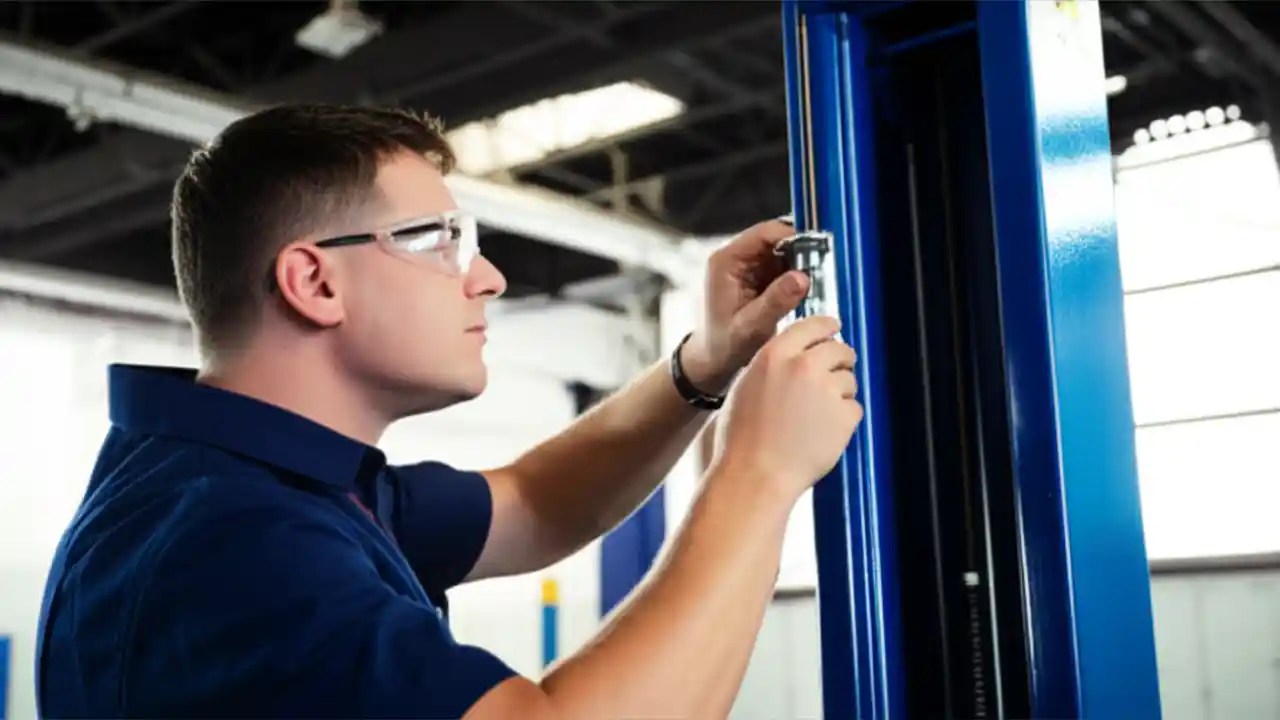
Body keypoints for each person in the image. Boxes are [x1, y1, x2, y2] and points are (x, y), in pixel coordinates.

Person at [35, 105, 862, 719]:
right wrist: (758, 475)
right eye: (439, 242)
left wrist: (700, 368)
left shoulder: (269, 481)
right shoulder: (231, 544)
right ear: (315, 283)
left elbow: (535, 502)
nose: (488, 278)